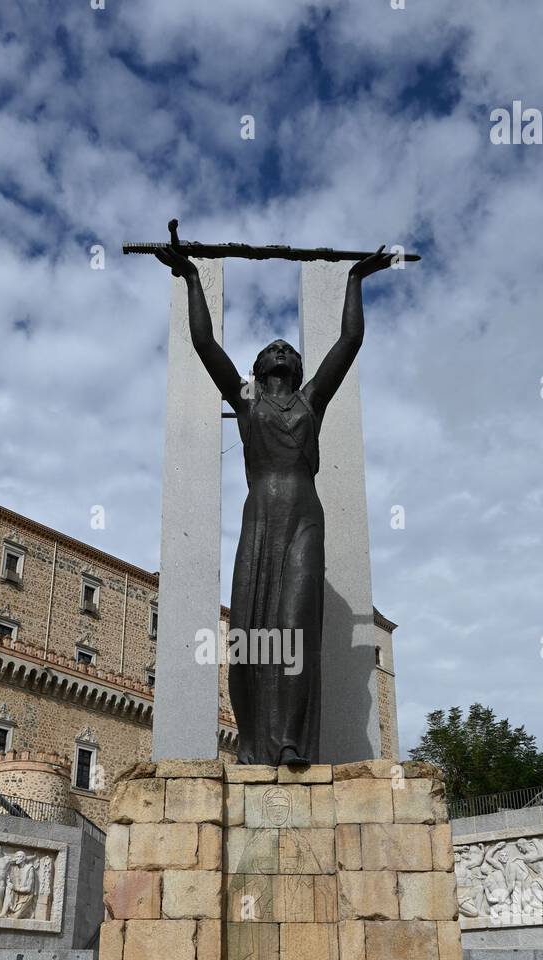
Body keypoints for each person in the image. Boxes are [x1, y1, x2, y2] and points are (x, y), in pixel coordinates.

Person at [155, 237, 394, 766]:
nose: (281, 347)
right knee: (249, 633)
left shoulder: (312, 399)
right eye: (272, 347)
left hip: (305, 522)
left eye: (288, 347)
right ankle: (251, 739)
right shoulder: (244, 400)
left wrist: (355, 280)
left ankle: (287, 739)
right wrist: (192, 278)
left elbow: (349, 341)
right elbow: (204, 343)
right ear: (261, 367)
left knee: (294, 626)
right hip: (259, 520)